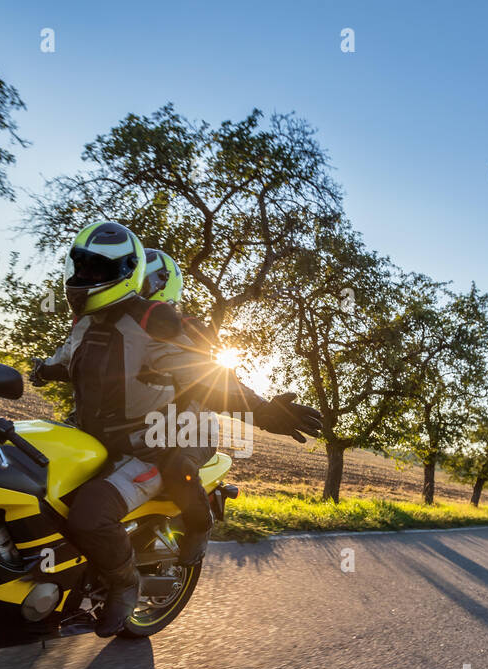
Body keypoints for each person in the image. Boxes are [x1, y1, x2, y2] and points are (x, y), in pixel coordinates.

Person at [30, 220, 321, 636]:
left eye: (99, 270)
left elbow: (210, 378)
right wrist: (43, 369)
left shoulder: (154, 323)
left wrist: (267, 411)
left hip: (147, 446)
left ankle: (128, 582)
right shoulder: (86, 323)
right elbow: (69, 359)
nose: (87, 278)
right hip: (91, 440)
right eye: (83, 267)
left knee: (93, 515)